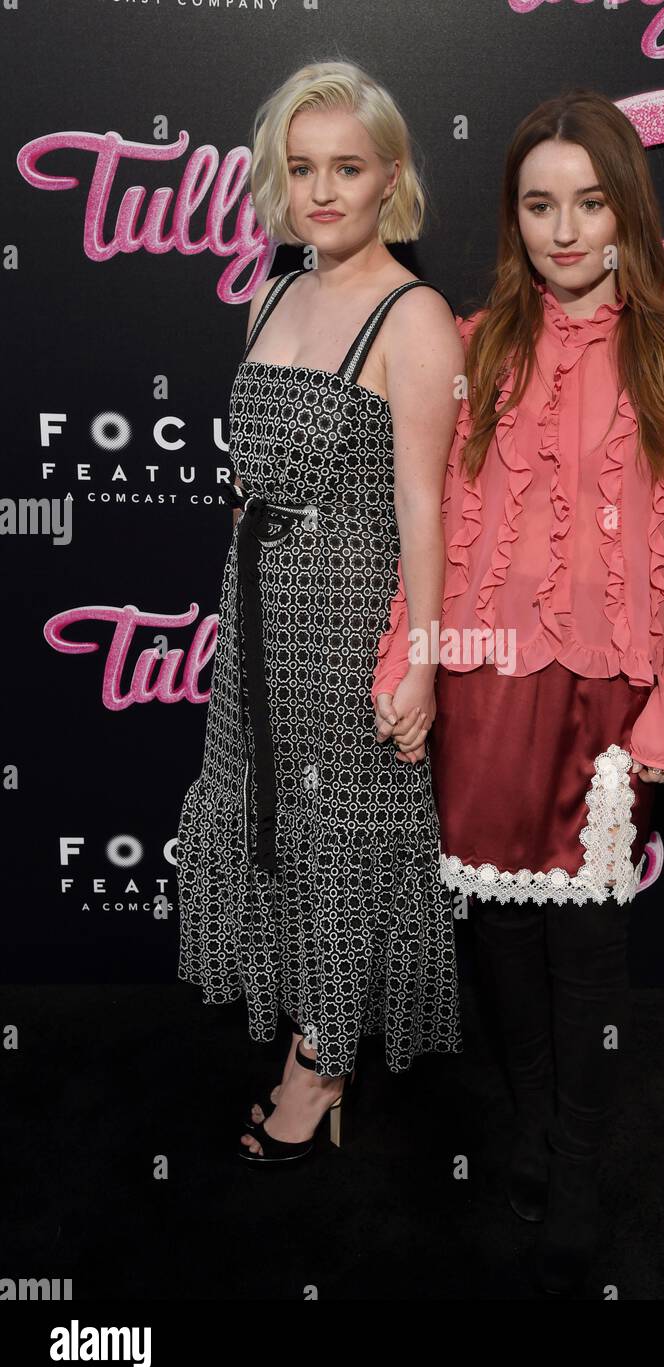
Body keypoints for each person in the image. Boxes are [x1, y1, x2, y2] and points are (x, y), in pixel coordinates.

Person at [373, 89, 664, 1294]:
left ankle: (577, 1158)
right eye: (539, 204)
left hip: (603, 700)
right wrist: (411, 656)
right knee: (496, 932)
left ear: (627, 209)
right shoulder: (478, 345)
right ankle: (531, 1128)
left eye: (588, 202)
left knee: (584, 945)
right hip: (485, 685)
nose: (564, 228)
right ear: (514, 216)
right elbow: (433, 525)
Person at [175, 59, 465, 1167]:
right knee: (271, 832)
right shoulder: (273, 292)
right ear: (278, 183)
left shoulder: (415, 313)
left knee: (343, 843)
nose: (323, 191)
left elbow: (428, 511)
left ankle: (321, 1063)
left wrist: (424, 665)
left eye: (347, 167)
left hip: (351, 629)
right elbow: (255, 473)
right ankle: (305, 1029)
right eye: (303, 171)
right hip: (257, 618)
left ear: (390, 175)